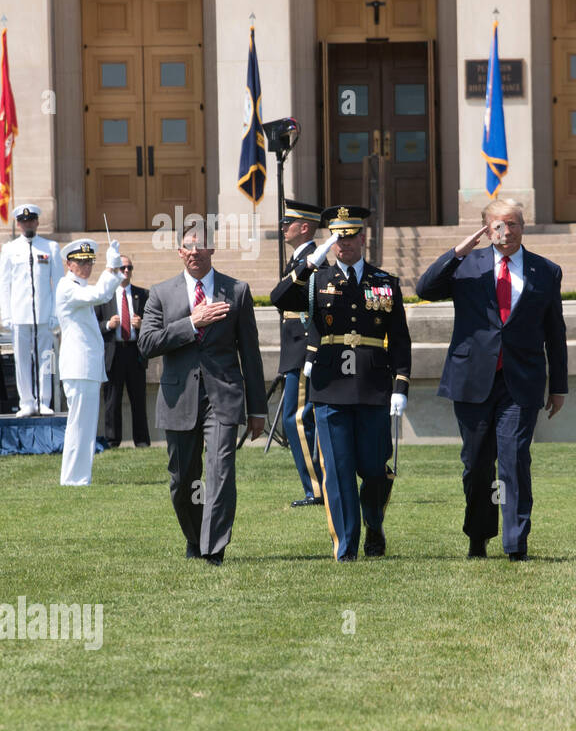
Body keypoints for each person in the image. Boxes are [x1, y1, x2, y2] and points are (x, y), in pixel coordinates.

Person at [416, 199, 568, 561]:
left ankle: (516, 545)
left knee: (515, 459)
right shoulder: (467, 265)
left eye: (514, 223)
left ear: (523, 226)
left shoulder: (546, 271)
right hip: (472, 380)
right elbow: (424, 288)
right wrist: (459, 250)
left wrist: (558, 385)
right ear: (486, 229)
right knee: (476, 464)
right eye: (498, 225)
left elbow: (555, 332)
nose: (507, 231)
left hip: (521, 383)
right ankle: (478, 535)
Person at [269, 205, 411, 562]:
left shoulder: (384, 282)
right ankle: (345, 547)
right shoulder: (317, 279)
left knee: (376, 469)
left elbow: (400, 340)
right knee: (339, 469)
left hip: (373, 385)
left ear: (363, 237)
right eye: (337, 237)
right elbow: (279, 298)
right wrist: (308, 264)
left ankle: (374, 521)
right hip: (330, 386)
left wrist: (401, 386)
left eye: (350, 236)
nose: (344, 244)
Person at [138, 223, 267, 565]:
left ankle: (214, 548)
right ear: (179, 252)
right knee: (183, 481)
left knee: (220, 469)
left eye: (201, 245)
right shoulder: (161, 294)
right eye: (187, 247)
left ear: (212, 249)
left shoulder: (236, 291)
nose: (194, 251)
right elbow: (147, 344)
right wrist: (192, 323)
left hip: (223, 397)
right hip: (179, 400)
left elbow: (250, 354)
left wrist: (258, 409)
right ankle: (195, 538)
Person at [54, 239, 125, 485]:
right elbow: (100, 294)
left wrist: (113, 270)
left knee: (84, 426)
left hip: (86, 367)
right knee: (79, 426)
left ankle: (79, 478)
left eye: (89, 261)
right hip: (79, 366)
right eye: (80, 262)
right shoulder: (67, 287)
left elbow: (99, 291)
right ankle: (74, 479)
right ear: (68, 264)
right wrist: (111, 268)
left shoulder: (77, 286)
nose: (86, 266)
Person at [274, 199, 325, 506]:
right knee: (295, 419)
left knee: (297, 419)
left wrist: (310, 353)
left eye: (287, 223)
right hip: (293, 348)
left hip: (303, 349)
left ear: (304, 227)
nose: (282, 227)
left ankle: (316, 489)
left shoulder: (313, 259)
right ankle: (314, 487)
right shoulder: (299, 258)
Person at [0, 204, 62, 415]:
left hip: (44, 314)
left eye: (31, 220)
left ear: (37, 222)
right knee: (21, 360)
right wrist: (6, 315)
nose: (28, 224)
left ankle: (45, 400)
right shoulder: (9, 249)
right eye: (23, 221)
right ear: (18, 224)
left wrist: (56, 313)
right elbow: (4, 285)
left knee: (46, 359)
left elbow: (59, 284)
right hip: (19, 315)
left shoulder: (50, 247)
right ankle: (26, 401)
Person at [95, 254, 151, 447]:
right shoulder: (104, 296)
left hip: (135, 353)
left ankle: (142, 440)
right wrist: (108, 325)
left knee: (138, 398)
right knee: (112, 400)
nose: (126, 271)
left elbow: (154, 324)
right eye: (123, 268)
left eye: (129, 268)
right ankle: (112, 440)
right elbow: (93, 325)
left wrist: (142, 325)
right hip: (113, 352)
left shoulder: (143, 295)